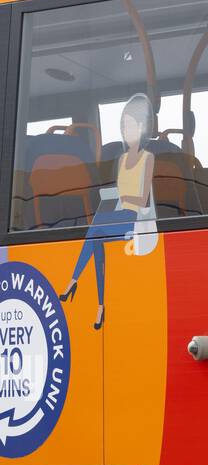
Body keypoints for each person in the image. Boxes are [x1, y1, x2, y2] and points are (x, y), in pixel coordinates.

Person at [60, 94, 156, 331]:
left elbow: (143, 199)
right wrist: (115, 198)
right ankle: (101, 305)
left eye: (131, 125)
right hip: (120, 215)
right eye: (123, 126)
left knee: (97, 225)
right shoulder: (122, 159)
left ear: (142, 128)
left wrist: (125, 198)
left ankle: (73, 280)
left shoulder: (148, 158)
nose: (126, 130)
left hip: (137, 221)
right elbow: (118, 192)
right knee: (96, 242)